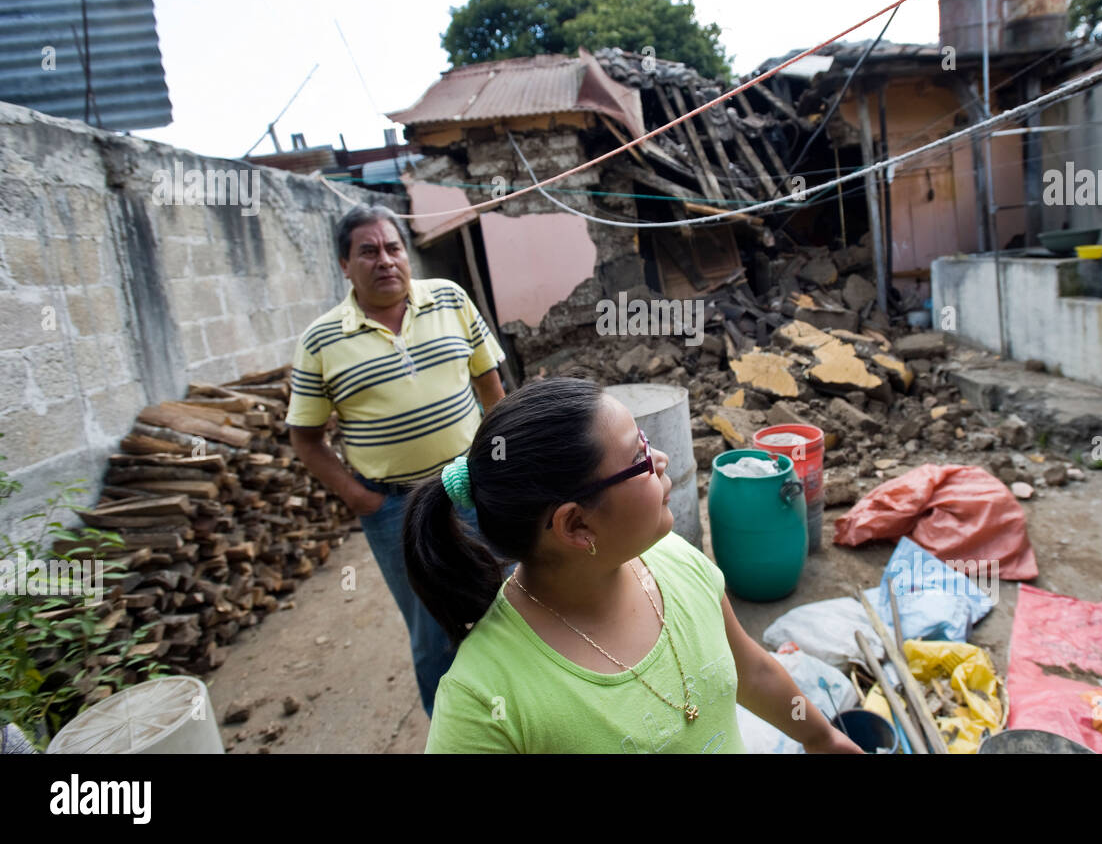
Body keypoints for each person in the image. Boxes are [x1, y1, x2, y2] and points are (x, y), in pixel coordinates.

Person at [404, 376, 861, 754]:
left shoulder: (677, 562)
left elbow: (751, 669)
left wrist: (823, 739)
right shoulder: (482, 704)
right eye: (638, 457)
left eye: (646, 439)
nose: (661, 459)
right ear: (577, 525)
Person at [287, 204, 507, 718]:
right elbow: (306, 437)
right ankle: (455, 735)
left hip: (474, 485)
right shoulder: (321, 340)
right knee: (433, 629)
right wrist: (360, 498)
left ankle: (523, 712)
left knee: (508, 596)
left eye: (393, 247)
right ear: (345, 265)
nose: (384, 260)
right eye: (368, 251)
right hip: (395, 508)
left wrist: (500, 461)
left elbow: (492, 389)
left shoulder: (450, 299)